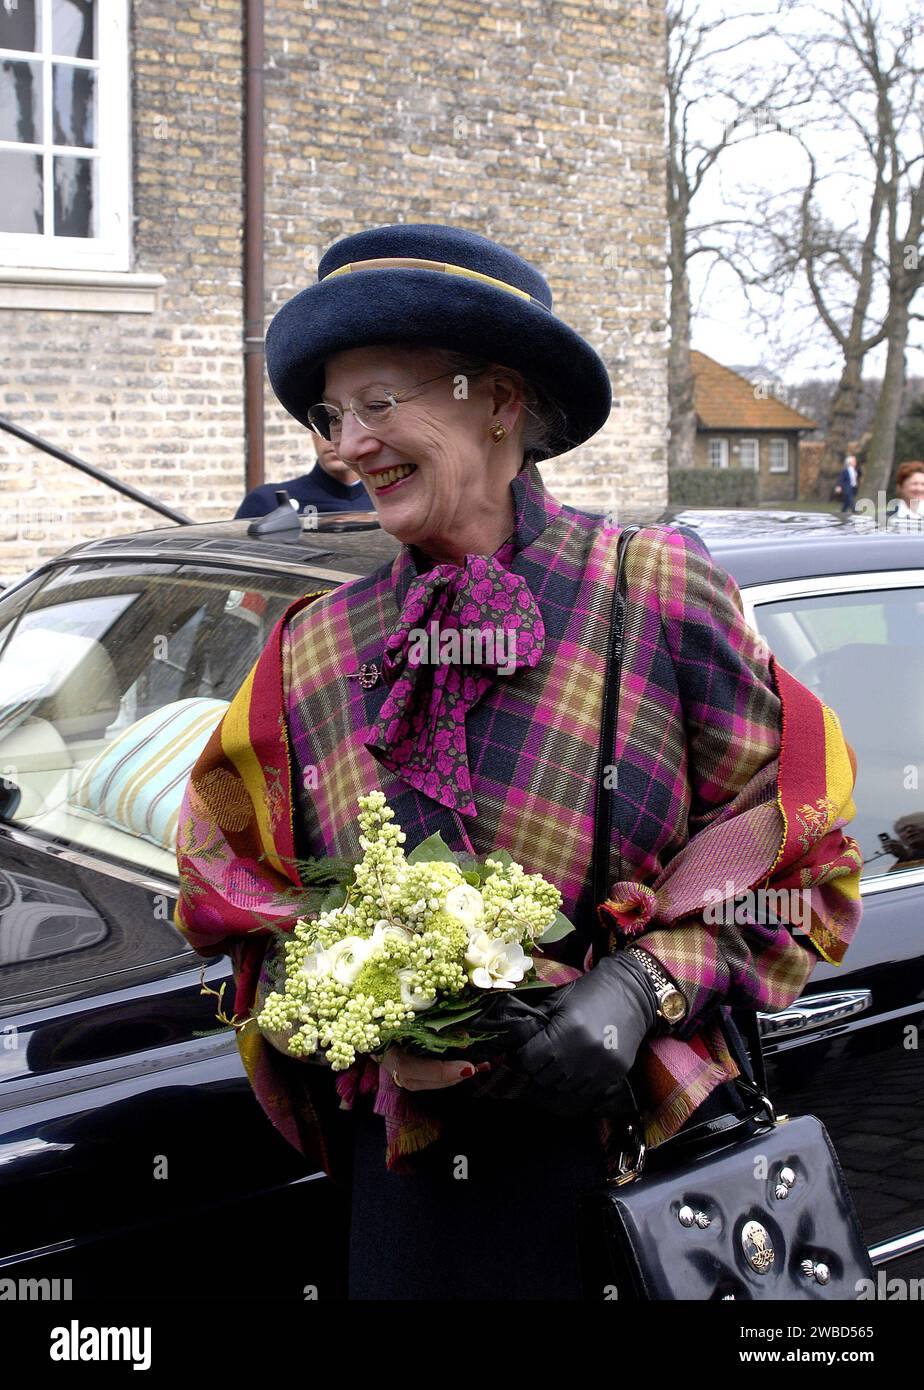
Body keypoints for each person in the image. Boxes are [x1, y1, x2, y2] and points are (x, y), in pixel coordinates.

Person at [173, 223, 864, 1301]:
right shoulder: (310, 646)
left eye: (379, 402)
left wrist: (639, 986)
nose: (345, 446)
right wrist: (335, 985)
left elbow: (797, 857)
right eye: (330, 414)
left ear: (498, 399)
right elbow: (232, 887)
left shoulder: (655, 591)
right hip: (406, 1195)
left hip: (619, 1176)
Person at [234, 429, 370, 519]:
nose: (334, 438)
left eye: (345, 428)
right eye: (323, 426)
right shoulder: (268, 502)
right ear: (312, 434)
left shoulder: (385, 503)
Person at [887, 460, 924, 529]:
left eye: (923, 484)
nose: (920, 489)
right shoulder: (885, 519)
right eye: (914, 484)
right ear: (900, 487)